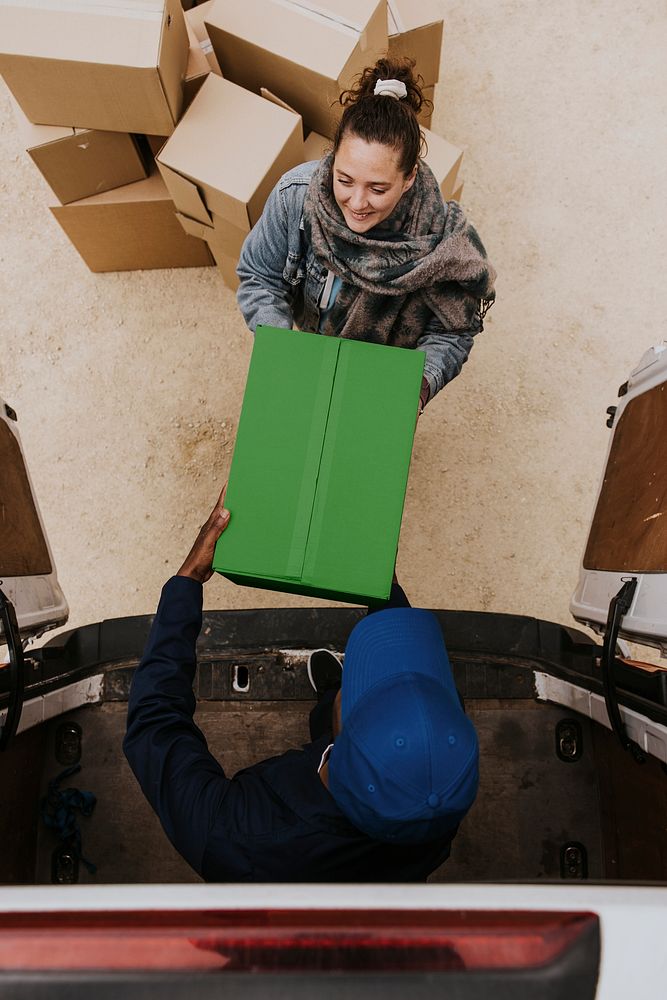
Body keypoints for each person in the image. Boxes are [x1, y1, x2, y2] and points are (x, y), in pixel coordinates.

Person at [123, 489, 480, 882]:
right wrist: (379, 576)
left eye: (355, 688)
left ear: (343, 725)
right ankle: (328, 691)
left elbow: (155, 725)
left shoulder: (234, 836)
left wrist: (186, 582)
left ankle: (328, 696)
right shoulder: (443, 794)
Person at [236, 56, 496, 414]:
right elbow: (258, 276)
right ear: (333, 158)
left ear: (408, 178)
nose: (357, 203)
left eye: (377, 188)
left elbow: (452, 332)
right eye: (344, 180)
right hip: (312, 337)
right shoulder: (296, 196)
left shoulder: (444, 244)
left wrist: (416, 387)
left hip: (382, 375)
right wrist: (285, 350)